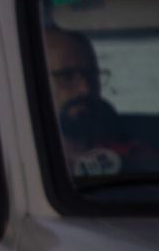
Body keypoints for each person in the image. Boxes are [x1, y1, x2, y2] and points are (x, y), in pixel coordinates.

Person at [43, 25, 153, 177]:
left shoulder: (134, 155)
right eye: (67, 76)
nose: (85, 89)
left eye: (92, 75)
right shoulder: (21, 157)